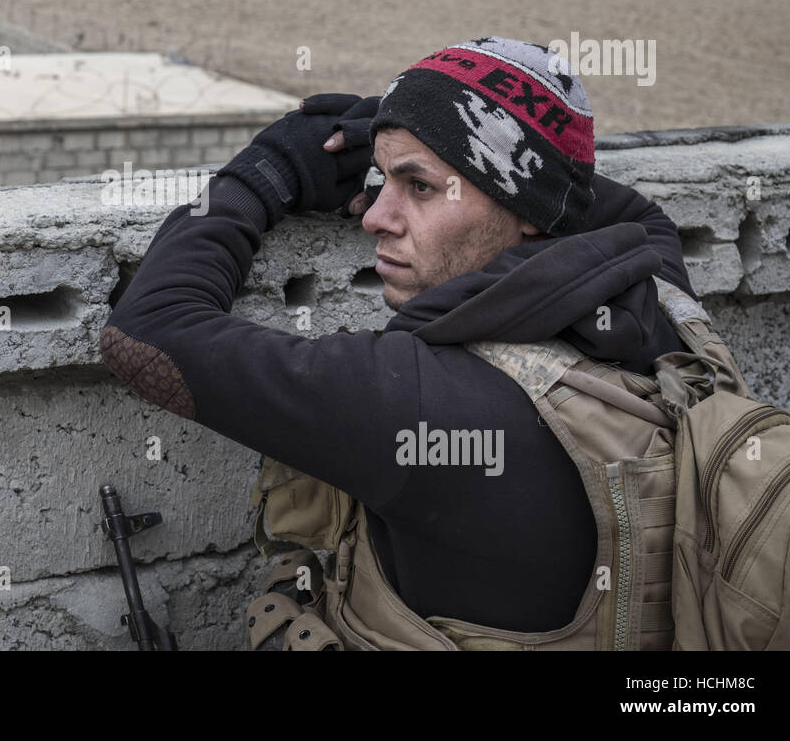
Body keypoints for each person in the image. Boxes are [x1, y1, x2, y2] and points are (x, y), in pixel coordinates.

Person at [99, 36, 696, 638]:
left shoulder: (415, 405)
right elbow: (633, 213)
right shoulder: (662, 310)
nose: (375, 217)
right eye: (382, 181)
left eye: (421, 188)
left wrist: (266, 172)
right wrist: (411, 130)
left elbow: (149, 330)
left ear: (529, 209)